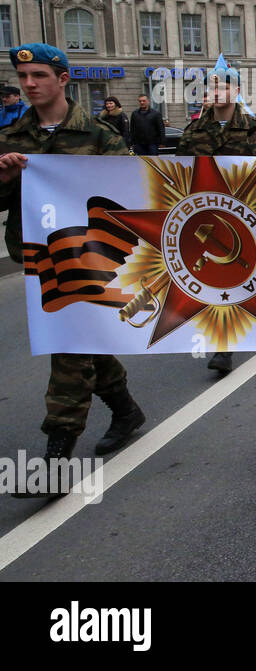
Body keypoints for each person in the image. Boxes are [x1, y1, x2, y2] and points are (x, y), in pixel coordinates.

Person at [0, 44, 146, 495]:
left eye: (39, 75)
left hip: (93, 263)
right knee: (84, 344)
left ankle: (55, 461)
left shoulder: (99, 135)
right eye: (23, 77)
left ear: (62, 79)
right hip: (39, 262)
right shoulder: (12, 138)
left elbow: (130, 193)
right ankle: (125, 410)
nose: (29, 84)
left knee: (68, 349)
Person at [176, 66, 256, 376]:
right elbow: (180, 172)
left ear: (237, 91)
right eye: (211, 87)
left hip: (247, 218)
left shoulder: (255, 130)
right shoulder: (194, 131)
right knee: (220, 281)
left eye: (223, 87)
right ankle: (223, 347)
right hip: (208, 217)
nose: (216, 93)